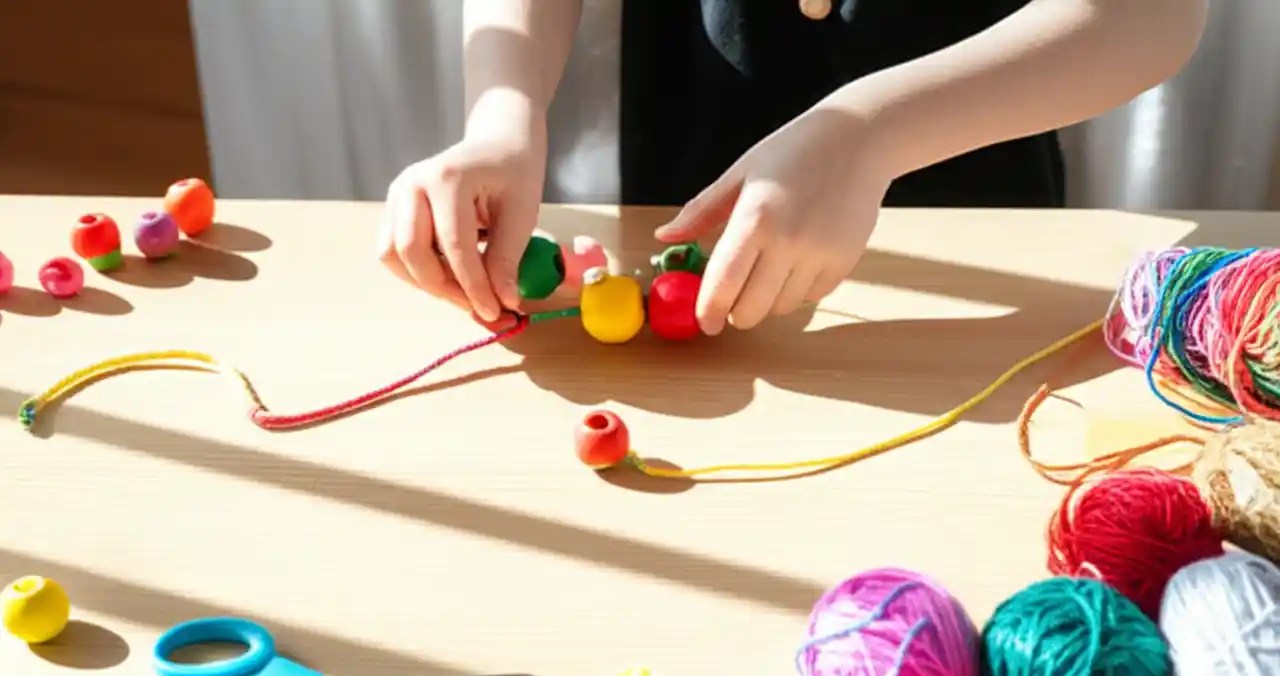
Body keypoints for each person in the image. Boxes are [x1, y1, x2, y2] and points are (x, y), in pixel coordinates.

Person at [377, 0, 1207, 337]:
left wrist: (871, 133)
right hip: (689, 169)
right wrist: (502, 112)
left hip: (979, 205)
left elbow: (1152, 16)